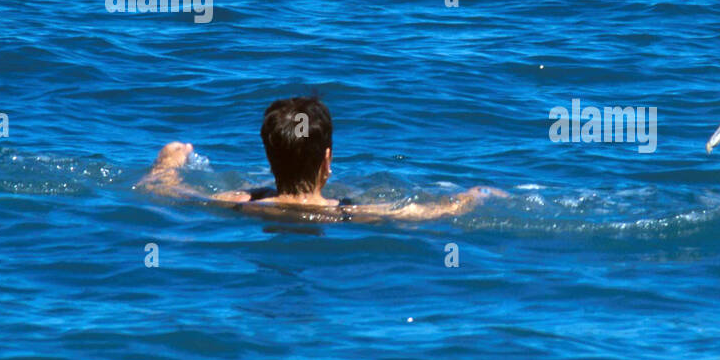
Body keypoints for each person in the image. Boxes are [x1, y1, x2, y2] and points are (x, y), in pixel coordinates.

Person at [139, 96, 503, 221]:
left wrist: (168, 160)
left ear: (269, 157)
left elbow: (161, 191)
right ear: (327, 160)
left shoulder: (239, 205)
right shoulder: (351, 214)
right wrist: (475, 195)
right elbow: (431, 212)